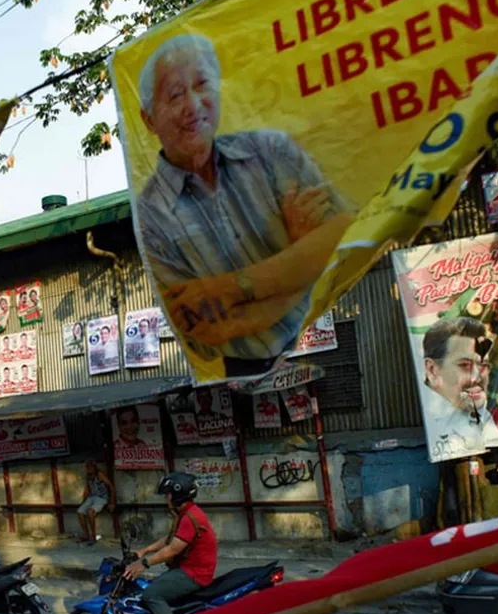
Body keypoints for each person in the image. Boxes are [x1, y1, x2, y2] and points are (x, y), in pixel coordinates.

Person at [134, 33, 355, 375]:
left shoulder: (270, 150)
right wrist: (300, 258)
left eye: (202, 84)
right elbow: (209, 331)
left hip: (326, 346)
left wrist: (226, 288)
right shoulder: (150, 217)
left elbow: (343, 232)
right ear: (149, 119)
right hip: (243, 378)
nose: (193, 105)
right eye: (175, 95)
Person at [122, 472, 217, 614]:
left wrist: (143, 564)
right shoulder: (187, 513)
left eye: (167, 495)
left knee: (151, 594)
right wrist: (144, 550)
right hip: (189, 569)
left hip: (194, 573)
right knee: (153, 584)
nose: (166, 498)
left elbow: (172, 549)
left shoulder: (190, 518)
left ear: (176, 495)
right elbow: (170, 538)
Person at [421, 316, 494, 456]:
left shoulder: (484, 414)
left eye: (483, 365)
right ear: (432, 369)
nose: (477, 377)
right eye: (464, 365)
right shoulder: (433, 422)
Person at [76, 460, 114, 545]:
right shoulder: (88, 476)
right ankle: (86, 535)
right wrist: (83, 502)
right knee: (80, 511)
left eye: (90, 467)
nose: (89, 469)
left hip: (102, 498)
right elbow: (87, 490)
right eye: (87, 467)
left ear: (94, 467)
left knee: (90, 511)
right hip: (92, 497)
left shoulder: (100, 474)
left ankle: (93, 536)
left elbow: (111, 486)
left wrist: (112, 502)